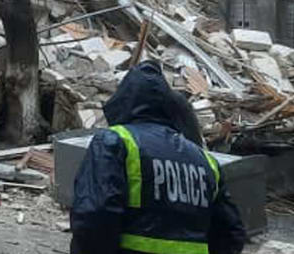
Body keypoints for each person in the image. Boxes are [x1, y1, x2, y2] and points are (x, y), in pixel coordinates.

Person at [70, 60, 247, 254]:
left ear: (123, 101)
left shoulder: (115, 142)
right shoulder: (206, 161)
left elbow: (94, 216)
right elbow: (231, 233)